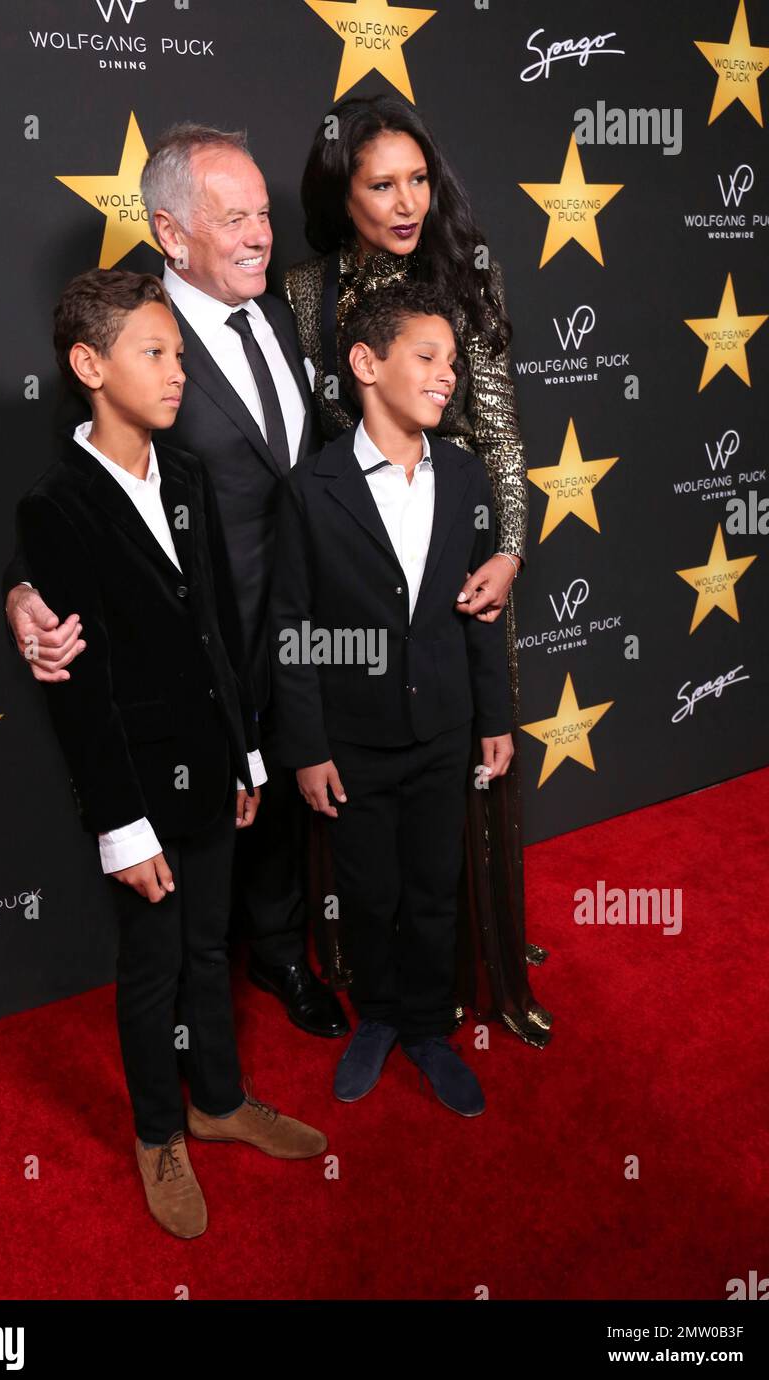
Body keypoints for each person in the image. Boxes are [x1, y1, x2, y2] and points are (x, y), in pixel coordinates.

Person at [3, 123, 347, 1041]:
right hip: (202, 639)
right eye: (234, 218)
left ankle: (280, 955)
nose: (260, 235)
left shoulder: (281, 313)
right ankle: (208, 995)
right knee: (212, 824)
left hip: (302, 622)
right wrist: (21, 593)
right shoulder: (138, 343)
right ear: (171, 232)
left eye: (264, 215)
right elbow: (74, 491)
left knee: (281, 797)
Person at [15, 268, 326, 1240]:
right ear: (89, 365)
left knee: (207, 946)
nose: (176, 371)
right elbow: (82, 692)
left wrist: (245, 758)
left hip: (213, 770)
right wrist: (119, 824)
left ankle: (219, 1098)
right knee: (152, 967)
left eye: (180, 354)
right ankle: (160, 1131)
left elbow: (222, 635)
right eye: (155, 353)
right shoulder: (55, 507)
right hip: (139, 792)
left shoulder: (185, 475)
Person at [283, 94, 552, 1047]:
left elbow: (505, 438)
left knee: (467, 765)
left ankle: (481, 964)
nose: (406, 202)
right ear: (339, 190)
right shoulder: (308, 292)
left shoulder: (465, 277)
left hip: (465, 551)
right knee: (363, 780)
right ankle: (368, 978)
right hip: (357, 551)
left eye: (418, 179)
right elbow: (308, 439)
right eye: (380, 183)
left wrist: (510, 550)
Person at [270, 282, 513, 1114]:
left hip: (445, 728)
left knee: (434, 885)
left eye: (452, 362)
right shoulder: (313, 489)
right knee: (369, 891)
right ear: (366, 364)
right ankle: (375, 1014)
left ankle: (426, 1029)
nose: (448, 377)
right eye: (427, 357)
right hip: (355, 739)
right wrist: (304, 746)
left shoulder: (468, 474)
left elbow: (481, 608)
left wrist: (493, 719)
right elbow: (292, 628)